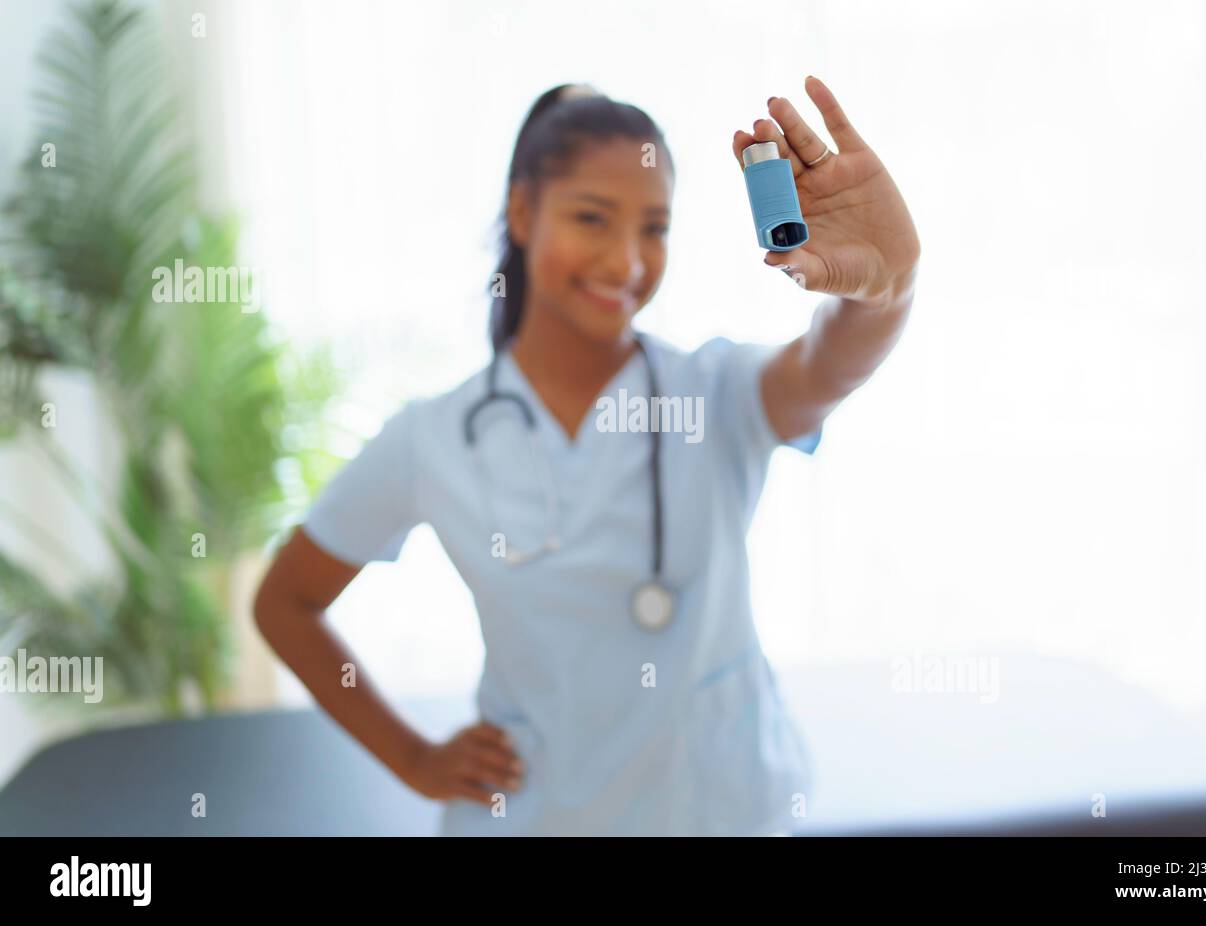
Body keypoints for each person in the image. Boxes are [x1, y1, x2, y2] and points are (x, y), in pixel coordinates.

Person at [253, 76, 920, 836]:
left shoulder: (714, 391)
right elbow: (285, 603)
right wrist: (414, 759)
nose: (627, 261)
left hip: (719, 812)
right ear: (523, 212)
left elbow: (828, 365)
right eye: (593, 218)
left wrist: (886, 289)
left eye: (655, 228)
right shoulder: (432, 437)